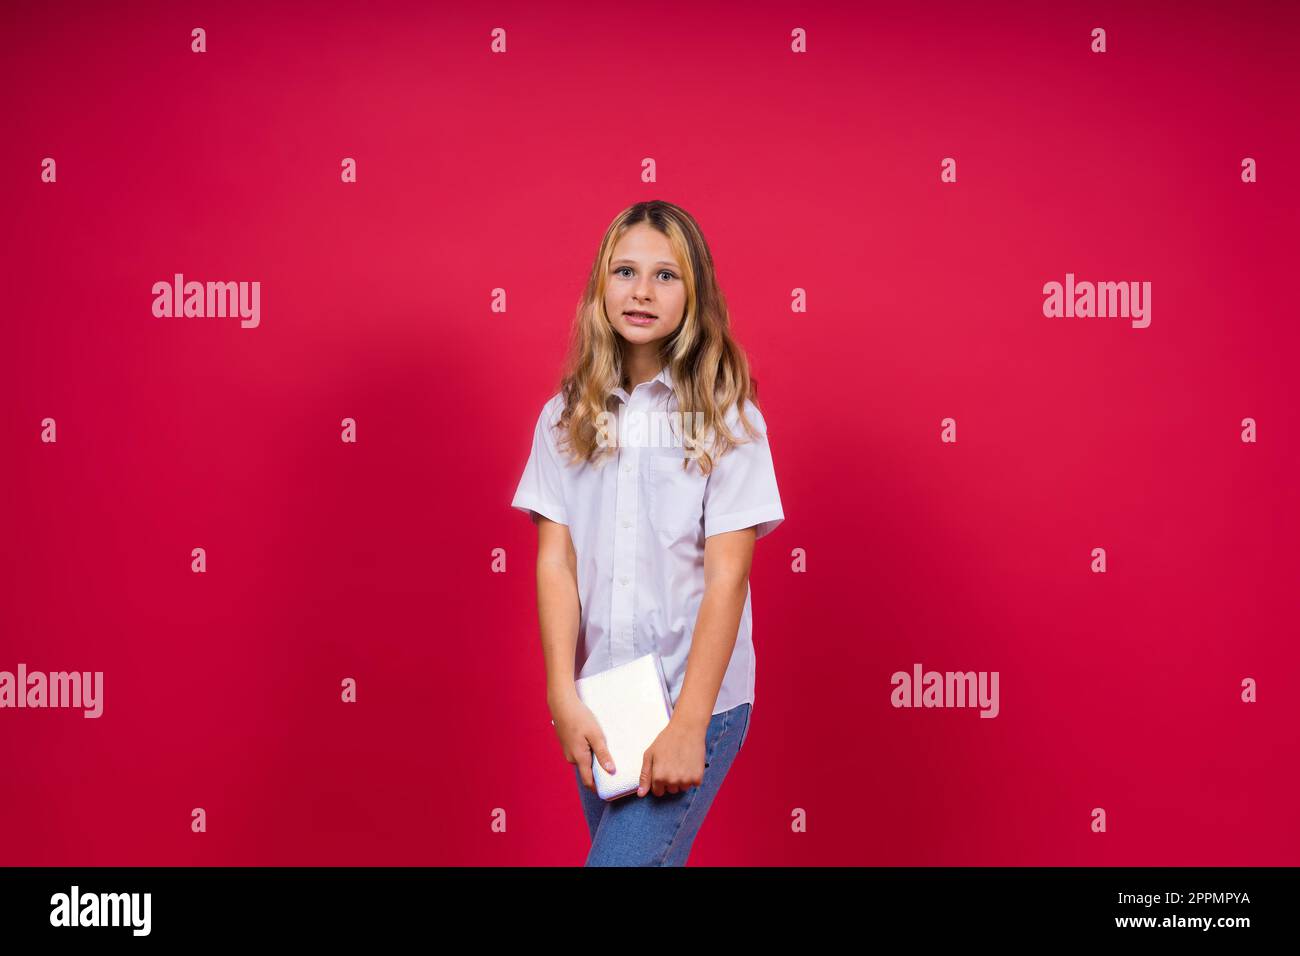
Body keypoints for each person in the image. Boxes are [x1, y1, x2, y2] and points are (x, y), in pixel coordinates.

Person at [510, 199, 785, 866]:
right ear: (601, 286)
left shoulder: (728, 417)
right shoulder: (563, 419)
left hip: (696, 701)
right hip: (605, 702)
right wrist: (562, 697)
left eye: (666, 276)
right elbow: (557, 565)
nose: (641, 292)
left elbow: (728, 575)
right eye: (625, 271)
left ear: (695, 294)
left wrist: (690, 725)